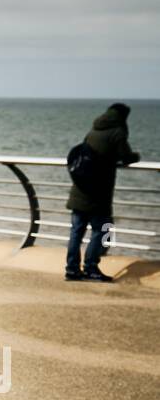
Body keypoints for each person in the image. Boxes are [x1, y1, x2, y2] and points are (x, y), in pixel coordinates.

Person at [66, 103, 139, 283]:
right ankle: (91, 267)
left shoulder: (93, 130)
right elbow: (125, 156)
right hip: (98, 193)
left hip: (80, 189)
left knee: (76, 232)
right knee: (103, 229)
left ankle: (72, 269)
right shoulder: (118, 132)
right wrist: (136, 157)